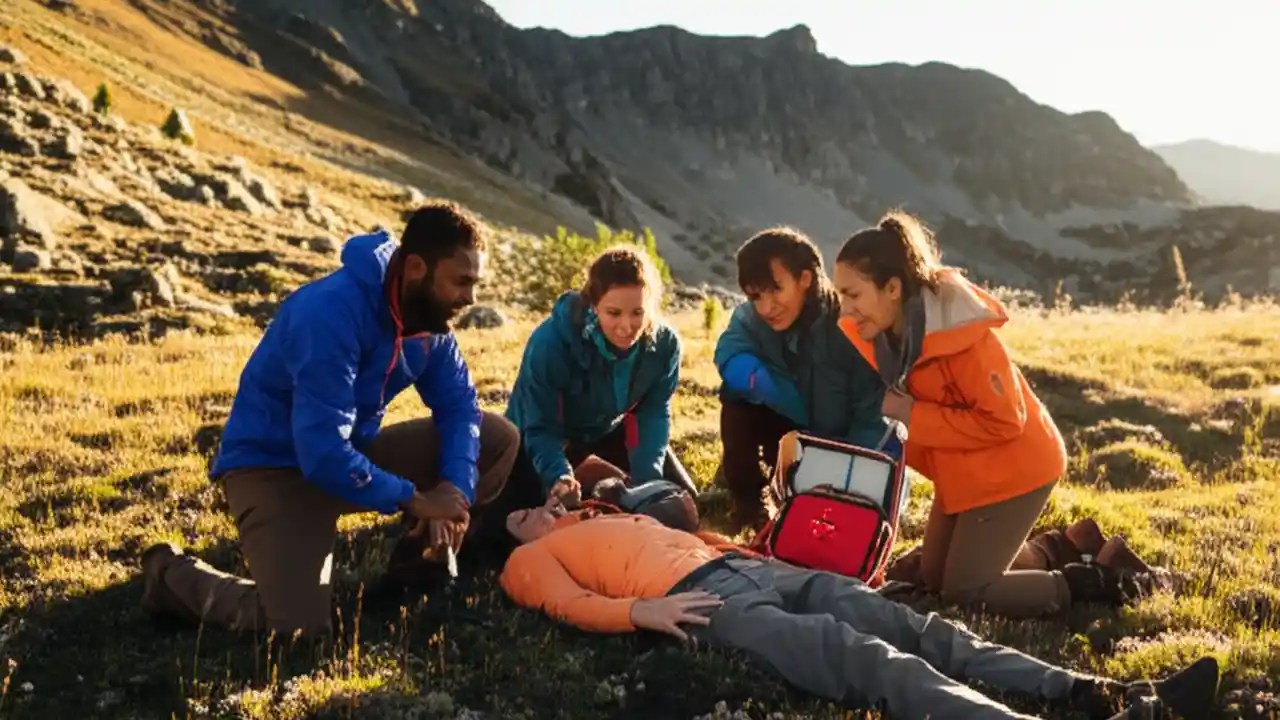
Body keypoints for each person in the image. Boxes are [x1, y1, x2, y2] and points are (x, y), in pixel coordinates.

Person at [139, 201, 520, 635]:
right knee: (297, 628)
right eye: (462, 282)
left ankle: (415, 570)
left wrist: (452, 489)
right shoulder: (328, 313)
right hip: (274, 470)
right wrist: (415, 498)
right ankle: (168, 575)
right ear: (415, 267)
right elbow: (321, 452)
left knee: (497, 437)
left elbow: (459, 408)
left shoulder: (427, 321)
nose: (470, 298)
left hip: (350, 455)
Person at [499, 505, 1220, 720]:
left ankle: (1103, 694)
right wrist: (641, 613)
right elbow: (570, 604)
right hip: (704, 604)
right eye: (532, 510)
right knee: (860, 656)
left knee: (920, 628)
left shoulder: (607, 516)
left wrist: (768, 561)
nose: (549, 510)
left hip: (753, 570)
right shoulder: (525, 560)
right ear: (510, 530)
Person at [831, 211, 1133, 618]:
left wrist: (911, 414)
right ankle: (1061, 546)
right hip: (967, 469)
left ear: (892, 288)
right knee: (934, 579)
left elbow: (1006, 421)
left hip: (1017, 467)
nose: (846, 310)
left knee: (966, 591)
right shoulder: (887, 339)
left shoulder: (960, 336)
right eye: (841, 296)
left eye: (853, 295)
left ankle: (1093, 581)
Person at [714, 227, 885, 529]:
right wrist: (760, 383)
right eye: (755, 295)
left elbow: (870, 410)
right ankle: (748, 503)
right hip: (787, 436)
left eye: (776, 289)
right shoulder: (751, 318)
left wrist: (857, 480)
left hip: (838, 444)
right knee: (735, 401)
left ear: (805, 279)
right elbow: (730, 350)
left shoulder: (849, 326)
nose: (766, 307)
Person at [505, 245, 694, 510]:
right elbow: (540, 424)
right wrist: (558, 474)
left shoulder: (664, 346)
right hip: (543, 437)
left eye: (637, 313)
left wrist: (647, 480)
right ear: (594, 305)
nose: (626, 327)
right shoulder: (551, 343)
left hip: (606, 427)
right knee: (532, 512)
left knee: (675, 502)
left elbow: (651, 414)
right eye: (614, 313)